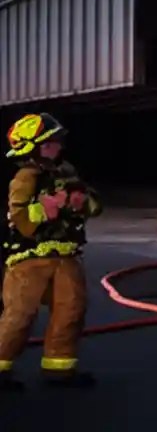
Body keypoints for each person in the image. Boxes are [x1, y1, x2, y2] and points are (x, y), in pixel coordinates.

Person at [0, 113, 102, 391]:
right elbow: (19, 219)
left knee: (71, 310)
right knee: (19, 315)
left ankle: (60, 368)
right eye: (49, 143)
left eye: (57, 141)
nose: (58, 147)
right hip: (29, 260)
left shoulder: (67, 172)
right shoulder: (25, 178)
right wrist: (44, 209)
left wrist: (82, 202)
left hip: (66, 257)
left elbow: (94, 204)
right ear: (33, 148)